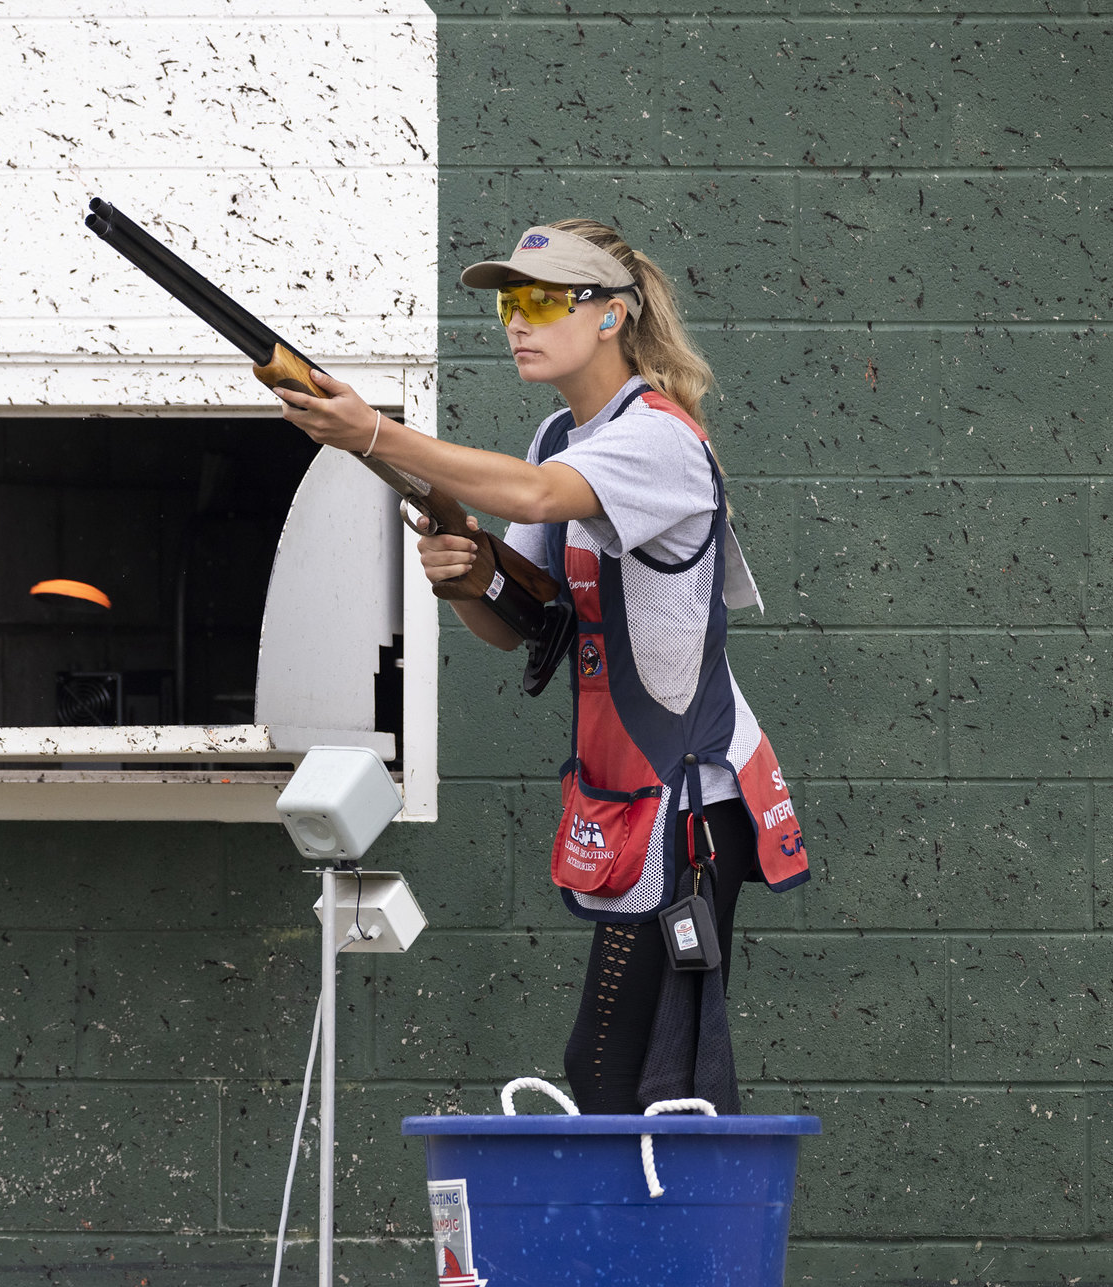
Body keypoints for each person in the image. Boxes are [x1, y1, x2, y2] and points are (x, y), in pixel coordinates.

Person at [272, 219, 809, 1114]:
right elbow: (520, 625)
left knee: (630, 1068)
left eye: (544, 300)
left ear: (612, 315)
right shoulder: (560, 432)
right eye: (510, 303)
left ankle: (664, 1250)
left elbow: (532, 497)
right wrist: (466, 577)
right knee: (628, 1072)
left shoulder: (659, 438)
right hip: (625, 789)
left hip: (689, 797)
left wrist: (372, 434)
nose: (517, 321)